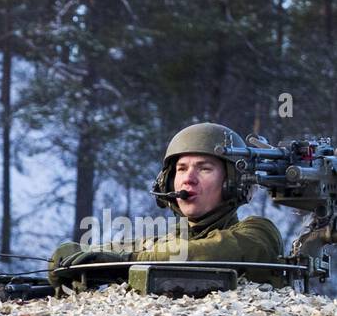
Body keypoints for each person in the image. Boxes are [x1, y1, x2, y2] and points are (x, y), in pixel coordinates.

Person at [49, 122, 284, 286]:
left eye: (204, 168)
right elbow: (126, 248)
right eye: (181, 169)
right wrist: (79, 254)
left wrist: (123, 263)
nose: (188, 178)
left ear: (232, 183)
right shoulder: (164, 243)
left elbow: (210, 253)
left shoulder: (259, 233)